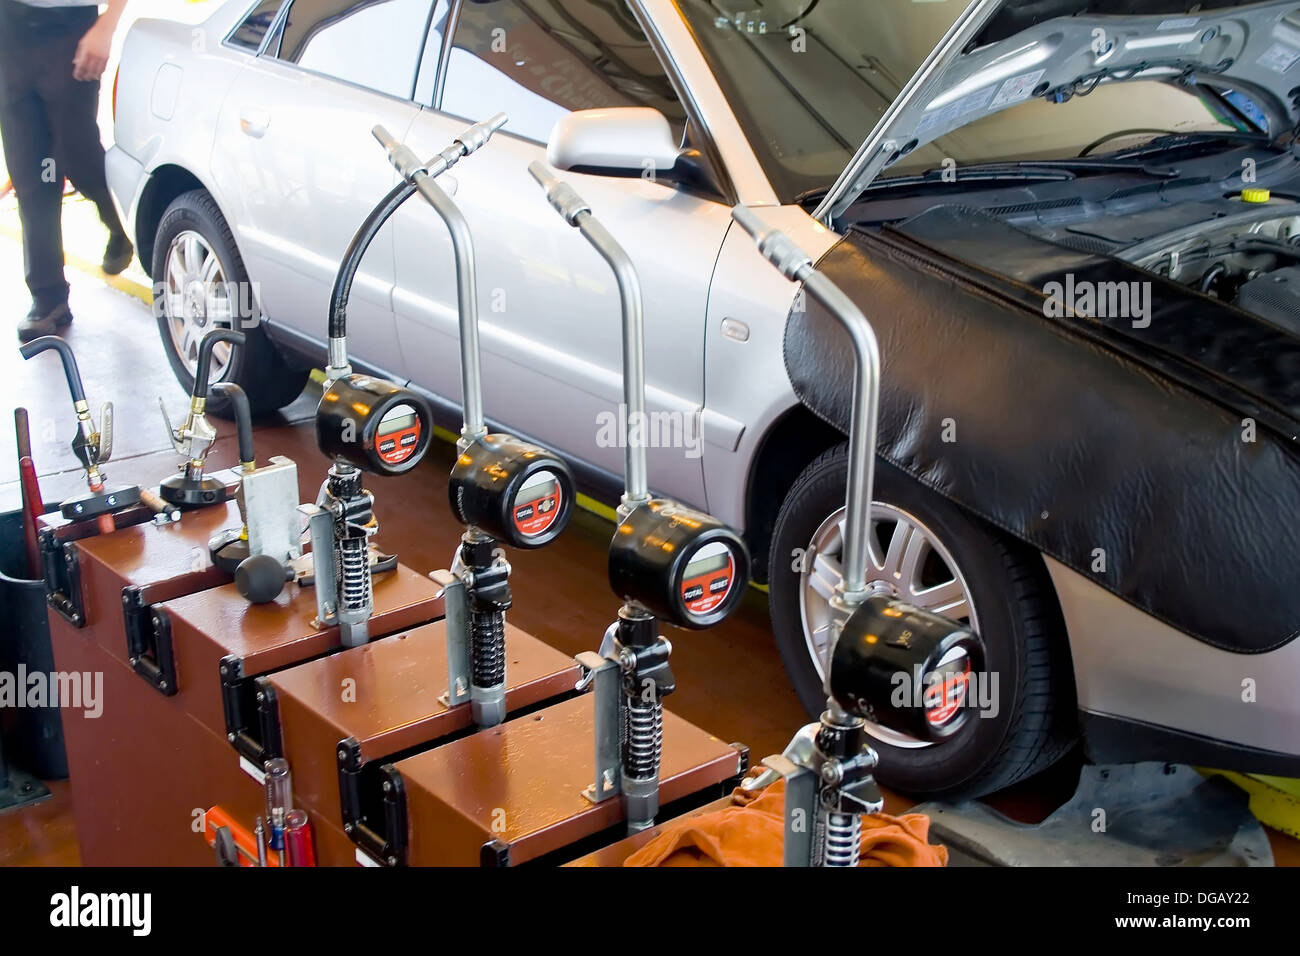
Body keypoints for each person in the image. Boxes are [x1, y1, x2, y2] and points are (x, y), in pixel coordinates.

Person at [0, 0, 133, 342]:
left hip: (72, 28)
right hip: (10, 27)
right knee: (33, 172)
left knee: (79, 156)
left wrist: (107, 25)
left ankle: (120, 223)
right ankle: (48, 299)